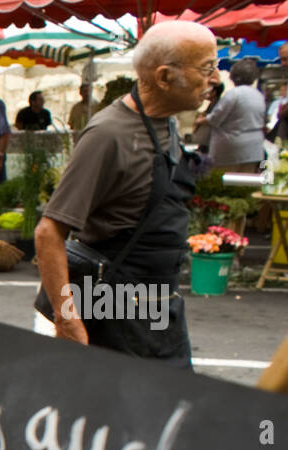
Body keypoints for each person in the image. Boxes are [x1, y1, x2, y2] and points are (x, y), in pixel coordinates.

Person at [34, 21, 219, 366]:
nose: (216, 79)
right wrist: (67, 317)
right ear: (164, 78)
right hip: (114, 308)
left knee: (174, 410)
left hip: (159, 306)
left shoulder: (168, 122)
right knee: (122, 412)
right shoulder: (109, 135)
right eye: (207, 68)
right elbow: (48, 232)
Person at [198, 60, 265, 173]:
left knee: (225, 182)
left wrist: (200, 120)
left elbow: (215, 118)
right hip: (255, 148)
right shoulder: (258, 95)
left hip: (231, 149)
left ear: (233, 76)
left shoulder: (233, 94)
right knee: (246, 183)